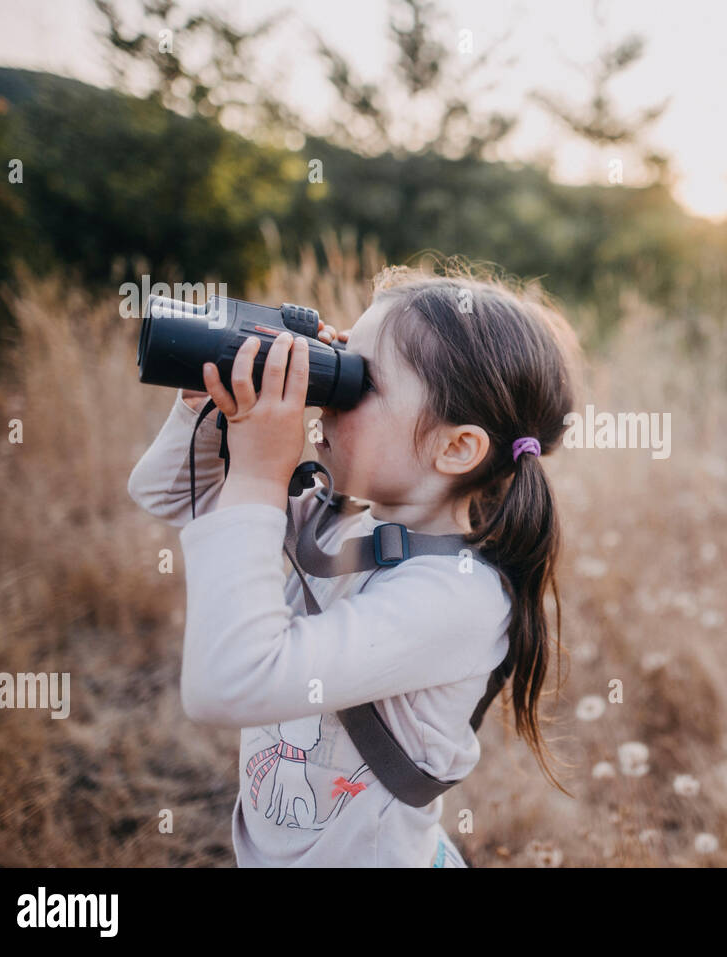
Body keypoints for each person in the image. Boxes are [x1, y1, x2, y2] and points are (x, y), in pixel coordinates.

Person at [127, 262, 580, 866]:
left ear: (456, 447)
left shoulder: (459, 600)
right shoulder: (340, 519)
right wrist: (203, 412)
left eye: (359, 382)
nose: (325, 396)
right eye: (338, 359)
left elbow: (227, 685)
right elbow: (170, 496)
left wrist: (260, 475)